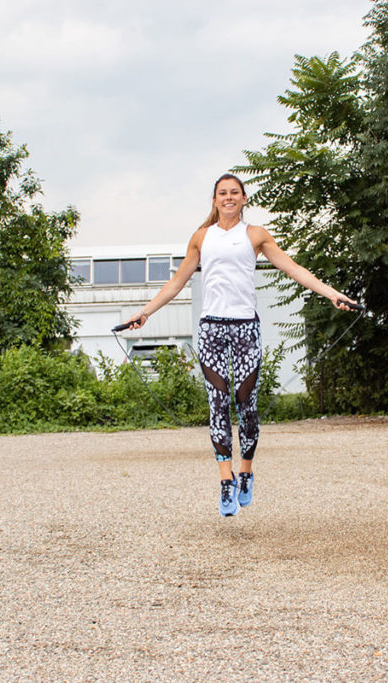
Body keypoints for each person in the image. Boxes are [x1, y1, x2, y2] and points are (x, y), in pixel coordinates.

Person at [118, 173, 356, 516]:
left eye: (234, 192)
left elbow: (293, 268)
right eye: (222, 193)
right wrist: (144, 313)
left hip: (246, 329)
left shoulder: (255, 235)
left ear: (244, 199)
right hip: (211, 330)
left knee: (246, 405)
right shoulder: (202, 237)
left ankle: (245, 472)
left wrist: (333, 295)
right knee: (217, 405)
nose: (228, 197)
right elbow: (176, 283)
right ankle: (225, 482)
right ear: (214, 200)